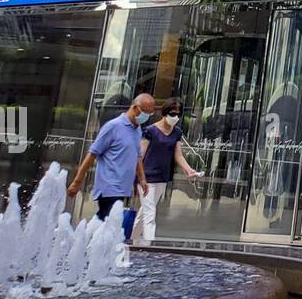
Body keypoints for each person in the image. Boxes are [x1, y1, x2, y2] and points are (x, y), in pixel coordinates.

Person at [68, 93, 154, 219]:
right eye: (146, 112)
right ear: (135, 108)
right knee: (107, 223)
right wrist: (77, 182)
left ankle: (88, 236)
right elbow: (92, 154)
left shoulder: (137, 129)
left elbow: (137, 156)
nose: (147, 117)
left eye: (150, 114)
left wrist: (142, 179)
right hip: (109, 187)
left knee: (107, 225)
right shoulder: (113, 126)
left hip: (124, 188)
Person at [136, 98, 202, 246]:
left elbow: (178, 155)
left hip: (162, 178)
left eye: (178, 114)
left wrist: (189, 170)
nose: (175, 117)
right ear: (165, 113)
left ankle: (131, 241)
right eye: (172, 113)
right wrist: (141, 178)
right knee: (150, 214)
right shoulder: (150, 131)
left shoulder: (176, 132)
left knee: (145, 212)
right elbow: (139, 155)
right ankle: (149, 247)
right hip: (146, 177)